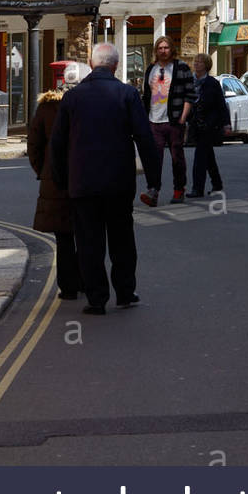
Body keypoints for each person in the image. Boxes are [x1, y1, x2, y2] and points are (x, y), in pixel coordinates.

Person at [51, 42, 159, 316]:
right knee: (122, 239)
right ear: (116, 65)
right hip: (118, 182)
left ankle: (96, 299)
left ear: (91, 61)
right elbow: (145, 138)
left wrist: (61, 180)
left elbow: (58, 143)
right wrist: (153, 180)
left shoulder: (72, 98)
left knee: (89, 242)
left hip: (82, 183)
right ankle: (124, 293)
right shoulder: (127, 94)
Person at [27, 63, 84, 300]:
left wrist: (44, 171)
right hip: (85, 175)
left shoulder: (46, 108)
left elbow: (34, 146)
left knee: (63, 236)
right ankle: (85, 280)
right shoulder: (86, 105)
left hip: (55, 179)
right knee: (86, 232)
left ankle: (68, 287)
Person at [140, 35, 196, 205]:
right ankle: (153, 191)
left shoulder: (181, 68)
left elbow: (190, 94)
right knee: (153, 159)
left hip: (174, 120)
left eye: (166, 48)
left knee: (176, 158)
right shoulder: (151, 69)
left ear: (172, 49)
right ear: (156, 51)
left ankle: (179, 190)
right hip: (154, 120)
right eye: (160, 48)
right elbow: (146, 95)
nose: (163, 51)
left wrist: (183, 117)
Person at [185, 53, 230, 198]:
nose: (196, 64)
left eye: (200, 62)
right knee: (207, 155)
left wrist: (226, 124)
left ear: (206, 65)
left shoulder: (212, 83)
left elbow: (221, 105)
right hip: (194, 124)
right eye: (195, 61)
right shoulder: (189, 81)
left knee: (200, 156)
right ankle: (217, 184)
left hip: (209, 124)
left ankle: (197, 188)